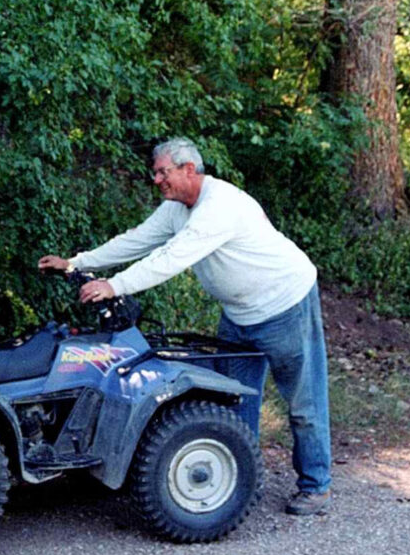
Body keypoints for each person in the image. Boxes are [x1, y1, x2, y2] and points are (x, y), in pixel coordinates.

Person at [37, 137, 332, 516]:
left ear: (188, 169)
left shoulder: (220, 206)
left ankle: (316, 485)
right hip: (239, 314)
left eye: (163, 172)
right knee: (234, 402)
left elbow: (171, 258)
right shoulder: (177, 207)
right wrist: (77, 263)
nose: (156, 179)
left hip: (285, 305)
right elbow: (138, 241)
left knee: (303, 403)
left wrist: (115, 286)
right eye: (154, 172)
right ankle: (238, 483)